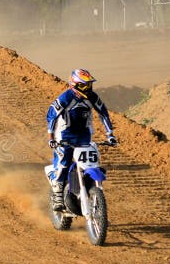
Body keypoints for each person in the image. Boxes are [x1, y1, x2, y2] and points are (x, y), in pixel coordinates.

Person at [46, 68, 117, 210]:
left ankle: (90, 190)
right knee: (64, 163)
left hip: (84, 134)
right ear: (74, 85)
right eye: (84, 85)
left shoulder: (92, 97)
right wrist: (51, 137)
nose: (88, 88)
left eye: (89, 85)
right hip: (65, 134)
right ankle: (58, 196)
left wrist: (110, 135)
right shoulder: (65, 98)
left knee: (91, 160)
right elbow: (51, 116)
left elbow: (103, 114)